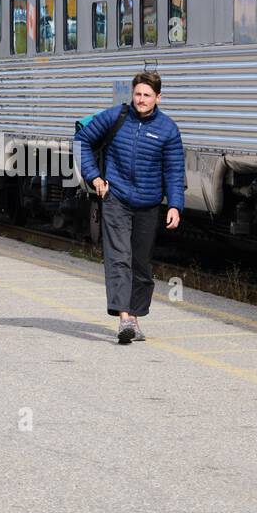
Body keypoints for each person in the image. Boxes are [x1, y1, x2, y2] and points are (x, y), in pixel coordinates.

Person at [74, 71, 185, 344]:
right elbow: (82, 141)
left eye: (147, 95)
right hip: (117, 198)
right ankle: (124, 318)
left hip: (148, 203)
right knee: (119, 257)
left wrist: (175, 205)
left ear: (158, 97)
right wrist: (94, 177)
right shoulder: (117, 117)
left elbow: (173, 171)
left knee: (142, 263)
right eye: (137, 94)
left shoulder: (168, 130)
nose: (141, 100)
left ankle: (135, 317)